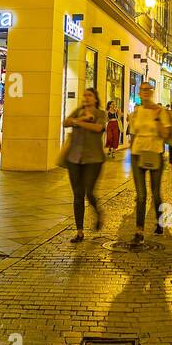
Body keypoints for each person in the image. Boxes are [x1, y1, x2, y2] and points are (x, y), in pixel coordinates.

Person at [126, 81, 172, 244]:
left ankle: (160, 222)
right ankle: (139, 230)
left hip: (155, 153)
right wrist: (130, 152)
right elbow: (133, 133)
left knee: (155, 192)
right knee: (141, 194)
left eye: (148, 90)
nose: (145, 92)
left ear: (152, 92)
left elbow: (166, 134)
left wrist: (156, 118)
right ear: (139, 93)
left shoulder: (161, 111)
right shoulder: (136, 111)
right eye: (142, 90)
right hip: (138, 154)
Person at [63, 89, 107, 242]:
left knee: (89, 192)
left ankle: (98, 212)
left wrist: (78, 122)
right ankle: (79, 231)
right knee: (77, 195)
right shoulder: (78, 111)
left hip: (94, 159)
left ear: (95, 99)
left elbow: (98, 128)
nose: (86, 98)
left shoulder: (101, 114)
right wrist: (81, 119)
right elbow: (65, 122)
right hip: (74, 158)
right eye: (85, 95)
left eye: (89, 95)